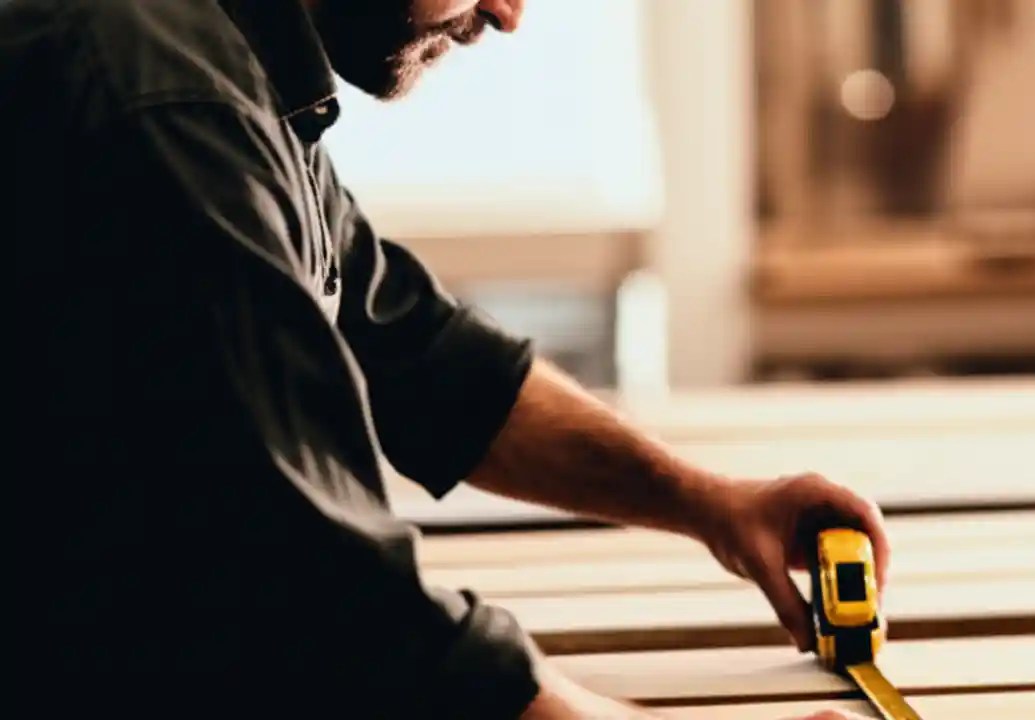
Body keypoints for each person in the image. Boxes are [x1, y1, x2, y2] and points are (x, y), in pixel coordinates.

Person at [0, 1, 889, 717]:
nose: (506, 14)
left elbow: (423, 356)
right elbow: (335, 606)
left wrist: (711, 505)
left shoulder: (230, 60)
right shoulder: (162, 100)